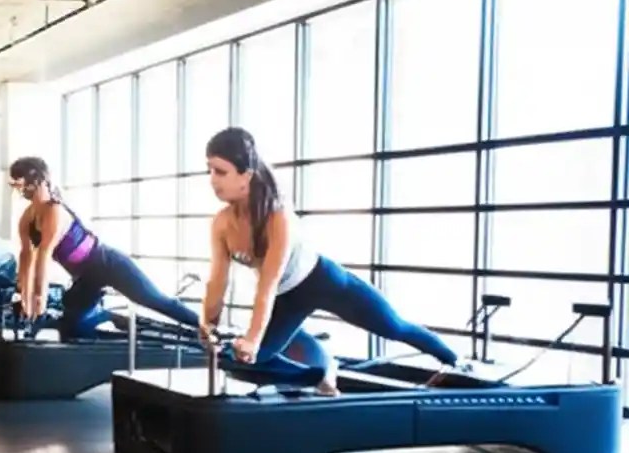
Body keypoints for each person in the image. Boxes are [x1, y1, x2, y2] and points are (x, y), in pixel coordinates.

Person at [200, 126, 466, 394]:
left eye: (220, 171)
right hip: (287, 297)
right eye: (209, 170)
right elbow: (217, 282)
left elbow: (267, 284)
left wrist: (253, 338)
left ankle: (455, 361)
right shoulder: (222, 224)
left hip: (322, 281)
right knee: (245, 362)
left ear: (246, 175)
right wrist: (208, 325)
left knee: (393, 326)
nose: (213, 179)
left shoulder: (277, 217)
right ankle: (322, 370)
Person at [9, 157, 199, 338]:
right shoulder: (28, 219)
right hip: (85, 276)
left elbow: (43, 257)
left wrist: (39, 304)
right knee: (71, 322)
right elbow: (27, 259)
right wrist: (25, 299)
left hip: (107, 263)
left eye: (20, 182)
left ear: (37, 181)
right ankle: (105, 317)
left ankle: (206, 325)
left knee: (155, 300)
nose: (18, 189)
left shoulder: (54, 211)